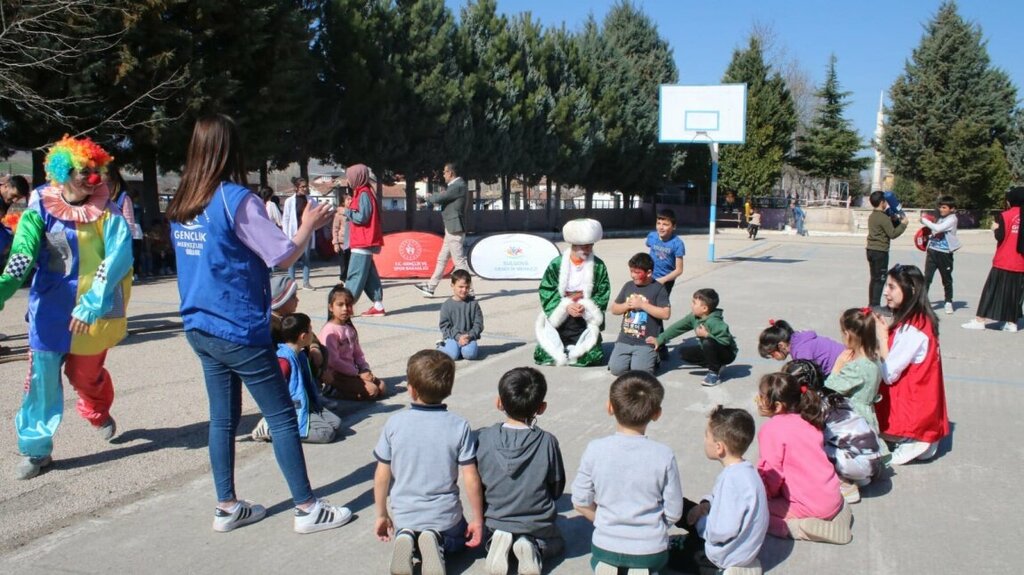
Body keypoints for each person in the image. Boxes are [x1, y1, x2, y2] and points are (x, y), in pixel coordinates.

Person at [168, 114, 351, 534]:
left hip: (199, 326)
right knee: (283, 415)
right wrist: (308, 225)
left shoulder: (183, 202)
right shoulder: (236, 199)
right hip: (238, 328)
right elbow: (281, 256)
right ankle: (307, 508)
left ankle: (227, 505)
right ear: (231, 150)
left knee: (223, 419)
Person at [0, 135, 132, 480]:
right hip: (49, 310)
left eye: (95, 170)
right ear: (62, 173)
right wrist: (3, 287)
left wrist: (92, 303)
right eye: (82, 171)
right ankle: (37, 449)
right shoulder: (40, 206)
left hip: (93, 311)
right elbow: (23, 253)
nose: (92, 178)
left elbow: (117, 259)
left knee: (85, 376)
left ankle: (96, 409)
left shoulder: (108, 211)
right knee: (41, 382)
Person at [373, 350, 484, 575]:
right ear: (449, 389)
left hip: (405, 513)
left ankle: (406, 537)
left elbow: (382, 474)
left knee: (409, 529)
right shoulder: (458, 426)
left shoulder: (394, 424)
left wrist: (382, 514)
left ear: (411, 388)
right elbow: (470, 477)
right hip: (444, 515)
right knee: (461, 539)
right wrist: (478, 520)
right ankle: (436, 540)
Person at [571, 371, 683, 575]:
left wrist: (602, 520)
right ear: (657, 414)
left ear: (610, 408)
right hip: (651, 549)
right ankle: (644, 569)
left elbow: (579, 500)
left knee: (602, 559)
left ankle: (609, 565)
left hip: (606, 544)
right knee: (655, 562)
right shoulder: (664, 455)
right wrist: (653, 527)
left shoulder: (595, 449)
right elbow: (674, 511)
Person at [478, 367, 566, 575]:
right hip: (537, 522)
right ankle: (533, 546)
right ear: (541, 408)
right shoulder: (547, 441)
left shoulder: (484, 437)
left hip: (495, 517)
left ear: (499, 402)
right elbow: (557, 487)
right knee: (557, 542)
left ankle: (497, 542)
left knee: (498, 532)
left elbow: (480, 480)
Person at [669, 406, 768, 575]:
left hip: (724, 556)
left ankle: (722, 571)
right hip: (737, 545)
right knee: (681, 505)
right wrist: (705, 506)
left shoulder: (732, 481)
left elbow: (722, 531)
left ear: (719, 447)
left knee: (671, 558)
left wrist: (700, 523)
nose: (704, 439)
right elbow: (720, 500)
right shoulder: (742, 470)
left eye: (707, 435)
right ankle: (688, 541)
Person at [755, 373, 851, 544]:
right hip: (832, 496)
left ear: (777, 406)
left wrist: (764, 496)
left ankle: (798, 527)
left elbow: (772, 475)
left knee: (752, 513)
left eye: (761, 397)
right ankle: (838, 513)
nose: (758, 400)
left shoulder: (771, 429)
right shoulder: (808, 419)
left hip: (810, 506)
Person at [876, 264, 950, 465]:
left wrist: (882, 337)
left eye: (892, 287)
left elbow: (889, 374)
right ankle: (921, 437)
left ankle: (915, 438)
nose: (885, 292)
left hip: (913, 410)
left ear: (911, 290)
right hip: (924, 408)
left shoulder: (912, 330)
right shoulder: (921, 320)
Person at [784, 360, 885, 505]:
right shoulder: (834, 396)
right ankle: (858, 476)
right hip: (873, 457)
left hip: (858, 462)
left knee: (807, 448)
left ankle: (842, 484)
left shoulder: (812, 408)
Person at [250, 313, 342, 444]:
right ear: (303, 337)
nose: (312, 333)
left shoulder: (300, 355)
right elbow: (273, 389)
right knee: (326, 434)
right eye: (310, 329)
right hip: (293, 408)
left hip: (307, 404)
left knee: (336, 423)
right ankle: (270, 429)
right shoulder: (285, 360)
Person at [534, 218, 610, 367]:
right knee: (546, 356)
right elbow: (546, 289)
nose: (588, 250)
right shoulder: (556, 264)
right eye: (584, 247)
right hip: (561, 312)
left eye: (591, 246)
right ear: (574, 245)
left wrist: (585, 307)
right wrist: (566, 306)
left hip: (584, 314)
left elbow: (603, 291)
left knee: (590, 357)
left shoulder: (598, 265)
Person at [962, 187, 1024, 332]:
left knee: (991, 291)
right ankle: (1011, 323)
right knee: (1014, 294)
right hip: (1020, 262)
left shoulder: (1006, 215)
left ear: (1010, 201)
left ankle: (980, 320)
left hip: (1004, 259)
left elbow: (1000, 236)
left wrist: (995, 228)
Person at [649, 288, 737, 387]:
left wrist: (707, 335)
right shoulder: (694, 317)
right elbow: (678, 327)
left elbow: (725, 342)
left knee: (708, 342)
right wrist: (660, 339)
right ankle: (718, 365)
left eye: (694, 303)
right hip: (711, 349)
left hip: (727, 353)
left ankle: (714, 373)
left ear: (704, 308)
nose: (692, 305)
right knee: (684, 353)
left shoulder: (715, 322)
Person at [319, 285, 387, 400]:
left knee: (382, 387)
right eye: (340, 305)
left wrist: (365, 369)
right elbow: (333, 361)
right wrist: (357, 374)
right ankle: (333, 389)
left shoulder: (349, 328)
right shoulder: (329, 330)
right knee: (373, 391)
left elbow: (358, 354)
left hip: (353, 372)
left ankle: (354, 388)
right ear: (331, 307)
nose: (345, 308)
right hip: (337, 375)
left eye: (349, 304)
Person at [608, 253, 670, 376]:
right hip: (625, 339)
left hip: (645, 341)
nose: (633, 275)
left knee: (641, 373)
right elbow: (614, 309)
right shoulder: (628, 286)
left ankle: (654, 358)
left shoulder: (658, 288)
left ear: (648, 273)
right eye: (631, 271)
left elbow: (665, 314)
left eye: (637, 272)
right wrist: (627, 305)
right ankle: (636, 359)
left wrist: (642, 305)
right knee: (616, 370)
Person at [416, 162, 469, 297]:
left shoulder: (457, 186)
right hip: (451, 228)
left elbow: (440, 198)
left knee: (459, 262)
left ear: (451, 173)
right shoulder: (456, 186)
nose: (443, 175)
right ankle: (431, 287)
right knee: (442, 259)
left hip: (454, 228)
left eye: (445, 172)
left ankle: (468, 290)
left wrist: (429, 197)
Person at [343, 164, 386, 316]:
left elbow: (362, 217)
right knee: (369, 276)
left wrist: (347, 212)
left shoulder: (363, 194)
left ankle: (345, 306)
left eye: (349, 176)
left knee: (354, 274)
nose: (347, 180)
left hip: (362, 241)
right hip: (364, 241)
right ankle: (378, 305)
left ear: (357, 177)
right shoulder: (363, 192)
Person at [757, 319, 845, 377]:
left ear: (781, 346)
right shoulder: (799, 339)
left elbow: (810, 378)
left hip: (845, 370)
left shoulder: (801, 352)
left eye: (772, 353)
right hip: (847, 358)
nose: (773, 357)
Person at [866, 190, 908, 307]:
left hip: (871, 250)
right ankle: (875, 306)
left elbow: (886, 228)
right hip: (880, 252)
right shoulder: (883, 218)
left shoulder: (873, 216)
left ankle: (872, 304)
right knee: (880, 279)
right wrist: (904, 224)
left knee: (874, 279)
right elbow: (892, 234)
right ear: (882, 202)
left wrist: (894, 220)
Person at [921, 195, 961, 315]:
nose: (941, 210)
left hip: (944, 254)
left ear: (952, 209)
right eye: (940, 207)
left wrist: (924, 220)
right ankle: (921, 302)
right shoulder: (940, 218)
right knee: (927, 278)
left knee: (946, 279)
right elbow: (934, 232)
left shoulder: (952, 219)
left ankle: (948, 302)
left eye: (944, 207)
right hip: (932, 251)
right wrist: (927, 237)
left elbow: (938, 228)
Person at [106, 165, 143, 281]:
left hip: (118, 241)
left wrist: (125, 245)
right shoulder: (96, 198)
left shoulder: (123, 198)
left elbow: (129, 224)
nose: (106, 186)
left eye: (109, 182)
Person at [437, 269, 483, 361]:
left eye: (467, 287)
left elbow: (479, 324)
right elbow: (444, 326)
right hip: (453, 337)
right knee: (452, 356)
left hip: (468, 337)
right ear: (452, 286)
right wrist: (458, 337)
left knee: (470, 355)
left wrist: (469, 336)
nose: (464, 290)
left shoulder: (473, 304)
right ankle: (441, 347)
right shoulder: (447, 305)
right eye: (460, 287)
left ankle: (462, 349)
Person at [281, 177, 317, 290]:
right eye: (302, 186)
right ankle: (292, 283)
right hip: (294, 233)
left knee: (306, 258)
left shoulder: (311, 200)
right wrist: (286, 235)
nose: (305, 188)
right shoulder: (289, 201)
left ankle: (306, 283)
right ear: (296, 188)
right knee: (292, 258)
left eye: (306, 186)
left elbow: (316, 214)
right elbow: (286, 218)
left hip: (306, 233)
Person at [646, 209, 685, 296]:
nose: (661, 227)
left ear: (674, 226)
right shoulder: (652, 236)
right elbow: (648, 246)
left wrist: (663, 280)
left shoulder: (677, 244)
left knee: (660, 306)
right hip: (649, 277)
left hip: (665, 282)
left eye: (665, 224)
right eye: (658, 223)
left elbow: (679, 270)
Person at [331, 186, 352, 282]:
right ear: (343, 202)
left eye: (351, 199)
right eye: (348, 199)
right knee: (343, 264)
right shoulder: (339, 215)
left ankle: (350, 279)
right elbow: (335, 229)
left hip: (352, 243)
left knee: (351, 263)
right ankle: (343, 280)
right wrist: (335, 243)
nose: (350, 201)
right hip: (342, 243)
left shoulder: (353, 213)